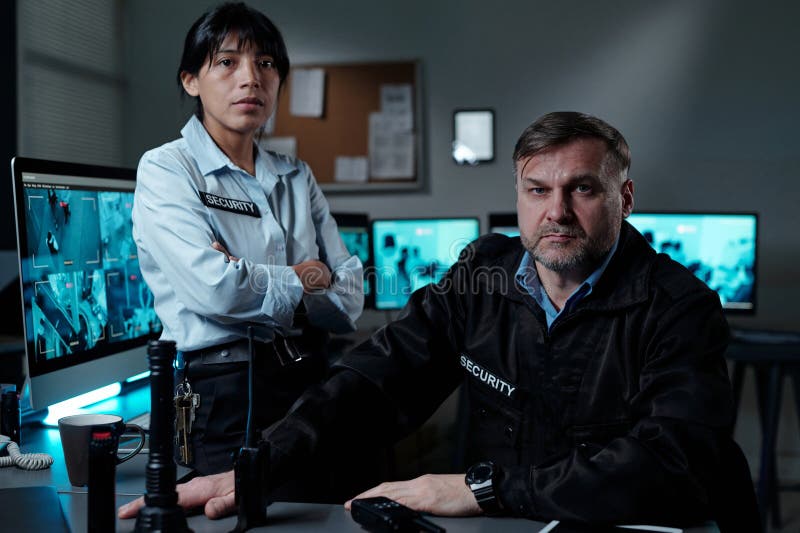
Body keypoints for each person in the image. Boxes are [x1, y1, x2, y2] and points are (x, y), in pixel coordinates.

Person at [121, 112, 749, 528]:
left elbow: (669, 463)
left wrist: (479, 489)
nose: (557, 211)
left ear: (625, 198)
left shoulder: (679, 307)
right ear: (519, 198)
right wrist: (260, 465)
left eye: (582, 189)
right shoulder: (484, 274)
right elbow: (377, 377)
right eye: (538, 190)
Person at [129, 1, 364, 493]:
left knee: (317, 519)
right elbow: (213, 290)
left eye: (266, 63)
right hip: (224, 395)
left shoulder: (296, 175)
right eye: (227, 62)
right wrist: (305, 276)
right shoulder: (167, 170)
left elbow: (349, 294)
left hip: (308, 379)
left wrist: (248, 273)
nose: (251, 79)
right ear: (191, 80)